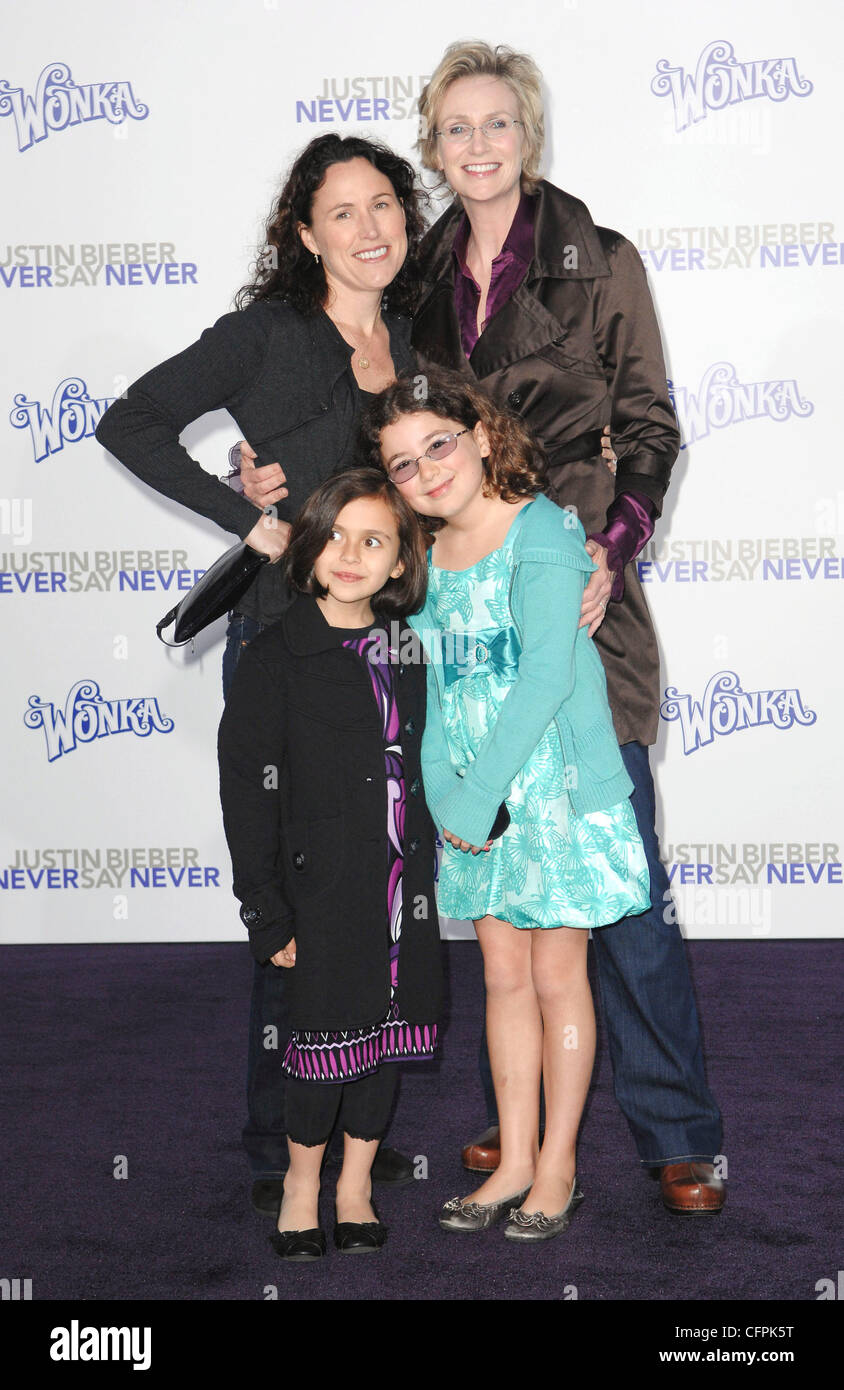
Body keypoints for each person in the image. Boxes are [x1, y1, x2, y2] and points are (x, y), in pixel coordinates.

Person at [409, 40, 725, 1214]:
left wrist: (614, 544)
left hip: (581, 586)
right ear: (433, 147)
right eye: (455, 129)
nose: (478, 146)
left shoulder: (603, 261)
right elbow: (400, 430)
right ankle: (525, 1118)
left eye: (496, 124)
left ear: (528, 137)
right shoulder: (419, 274)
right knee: (501, 891)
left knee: (616, 888)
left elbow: (649, 419)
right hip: (471, 599)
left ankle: (678, 1130)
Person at [94, 133, 430, 1215]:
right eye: (342, 212)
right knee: (298, 890)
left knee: (380, 888)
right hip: (290, 641)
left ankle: (360, 1132)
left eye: (384, 204)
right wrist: (253, 516)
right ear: (302, 232)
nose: (370, 227)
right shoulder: (266, 336)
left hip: (390, 644)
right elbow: (130, 420)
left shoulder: (419, 340)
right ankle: (273, 1136)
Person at [360, 368, 649, 1241]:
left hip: (550, 794)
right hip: (476, 808)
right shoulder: (428, 557)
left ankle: (558, 1165)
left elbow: (547, 675)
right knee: (500, 980)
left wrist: (480, 793)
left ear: (482, 436)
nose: (426, 472)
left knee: (561, 978)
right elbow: (441, 695)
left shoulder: (546, 534)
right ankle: (514, 1157)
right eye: (403, 466)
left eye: (437, 446)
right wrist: (449, 798)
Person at [218, 467, 441, 1259]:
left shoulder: (409, 649)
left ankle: (356, 1185)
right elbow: (247, 792)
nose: (352, 555)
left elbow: (435, 759)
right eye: (337, 536)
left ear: (399, 563)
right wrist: (265, 908)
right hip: (323, 892)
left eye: (374, 540)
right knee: (318, 1048)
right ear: (309, 548)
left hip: (401, 893)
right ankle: (302, 1186)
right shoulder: (276, 654)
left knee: (381, 1047)